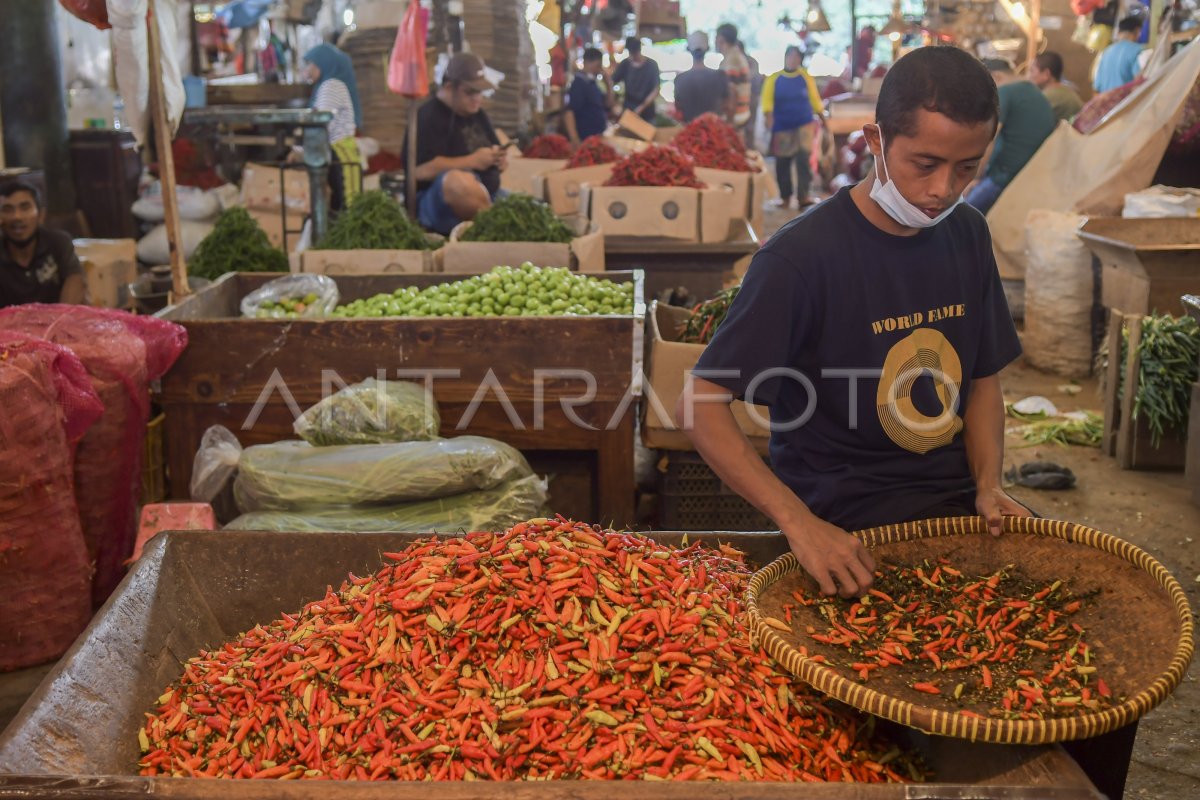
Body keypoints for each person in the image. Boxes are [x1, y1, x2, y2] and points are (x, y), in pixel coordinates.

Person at [402, 52, 507, 236]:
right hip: (438, 204)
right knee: (457, 182)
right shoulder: (427, 117)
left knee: (532, 207)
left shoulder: (477, 114)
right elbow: (418, 170)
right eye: (470, 92)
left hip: (489, 196)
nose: (477, 98)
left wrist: (499, 159)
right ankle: (494, 225)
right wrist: (472, 161)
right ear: (450, 87)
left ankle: (493, 220)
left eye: (480, 92)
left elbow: (495, 149)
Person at [965, 59, 1056, 215]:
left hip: (1005, 177)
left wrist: (973, 177)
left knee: (958, 215)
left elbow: (989, 140)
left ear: (997, 77)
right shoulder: (1036, 93)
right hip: (1034, 175)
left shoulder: (1004, 92)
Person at [0, 181, 85, 308]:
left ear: (41, 215)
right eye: (7, 209)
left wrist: (59, 319)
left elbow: (75, 279)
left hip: (56, 322)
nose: (16, 217)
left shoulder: (58, 242)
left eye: (25, 207)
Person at [763, 46, 824, 209]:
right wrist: (768, 118)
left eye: (796, 57)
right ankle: (785, 197)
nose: (793, 59)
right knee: (782, 162)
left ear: (800, 60)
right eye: (790, 56)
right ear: (785, 57)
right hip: (782, 126)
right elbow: (767, 101)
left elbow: (814, 98)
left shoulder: (805, 77)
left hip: (804, 124)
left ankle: (803, 196)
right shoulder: (774, 78)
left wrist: (822, 115)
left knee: (804, 161)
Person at [302, 43, 362, 211]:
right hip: (336, 153)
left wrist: (300, 150)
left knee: (345, 208)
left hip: (339, 156)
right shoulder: (325, 86)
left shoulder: (331, 86)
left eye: (311, 64)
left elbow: (322, 125)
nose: (308, 70)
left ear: (324, 64)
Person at [674, 31, 729, 123]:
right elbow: (726, 105)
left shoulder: (680, 79)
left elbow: (678, 108)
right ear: (708, 48)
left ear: (688, 49)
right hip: (715, 131)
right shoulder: (720, 76)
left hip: (690, 133)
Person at [565, 48, 609, 147]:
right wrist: (575, 139)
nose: (599, 69)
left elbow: (609, 103)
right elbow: (569, 112)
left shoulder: (592, 82)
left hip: (595, 137)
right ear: (588, 62)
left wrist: (608, 84)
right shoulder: (579, 83)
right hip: (585, 138)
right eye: (598, 65)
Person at [610, 37, 660, 122]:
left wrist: (642, 107)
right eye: (630, 53)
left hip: (648, 113)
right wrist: (614, 103)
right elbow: (611, 82)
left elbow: (656, 89)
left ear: (639, 50)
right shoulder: (625, 64)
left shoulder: (652, 65)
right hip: (628, 110)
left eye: (634, 53)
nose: (632, 56)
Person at [716, 23, 752, 137]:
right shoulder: (735, 55)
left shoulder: (731, 59)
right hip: (740, 114)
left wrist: (729, 121)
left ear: (721, 39)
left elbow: (732, 91)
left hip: (735, 116)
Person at [1094, 16, 1146, 94]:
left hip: (1106, 103)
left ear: (1119, 32)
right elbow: (1138, 82)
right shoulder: (1138, 50)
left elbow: (1097, 86)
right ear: (1137, 31)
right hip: (1126, 103)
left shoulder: (1106, 51)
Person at [1029, 51, 1083, 123]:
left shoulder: (1046, 97)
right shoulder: (1069, 91)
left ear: (1046, 74)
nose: (1029, 76)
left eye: (1032, 71)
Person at [740, 40, 764, 150]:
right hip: (741, 100)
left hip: (750, 99)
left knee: (749, 127)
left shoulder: (751, 62)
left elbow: (754, 80)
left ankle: (749, 148)